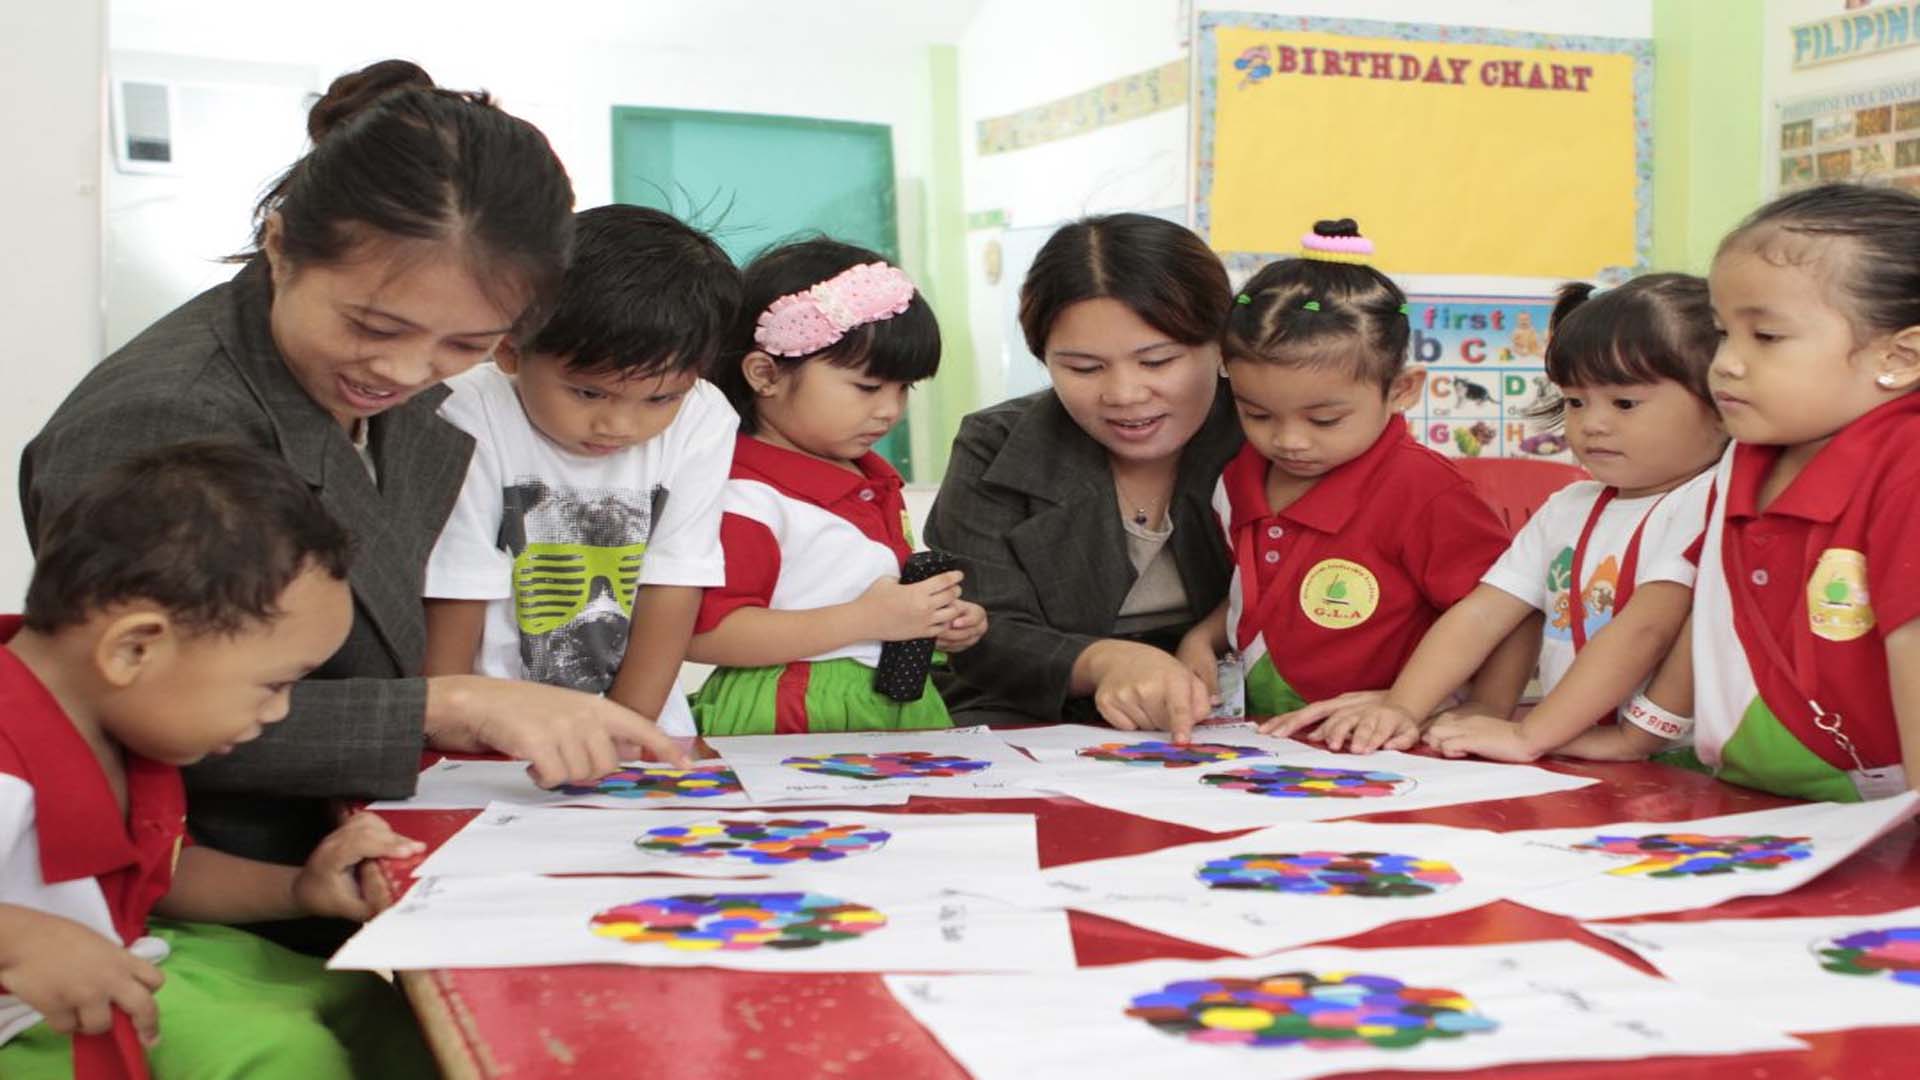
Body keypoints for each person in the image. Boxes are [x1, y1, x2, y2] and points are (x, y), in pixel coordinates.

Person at [18, 61, 683, 952]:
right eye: (374, 329)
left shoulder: (395, 394)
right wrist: (443, 706)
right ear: (282, 245)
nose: (408, 373)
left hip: (334, 856)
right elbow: (123, 699)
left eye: (467, 344)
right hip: (188, 887)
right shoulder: (164, 414)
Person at [0, 442, 433, 1079]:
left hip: (133, 949)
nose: (279, 712)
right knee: (277, 1054)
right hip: (31, 1018)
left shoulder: (116, 720)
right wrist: (17, 935)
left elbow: (155, 877)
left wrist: (295, 889)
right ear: (134, 649)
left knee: (365, 999)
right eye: (272, 685)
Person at [1322, 276, 1726, 762]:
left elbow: (1646, 630)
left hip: (1683, 761)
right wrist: (1403, 707)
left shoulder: (1711, 501)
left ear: (1722, 405)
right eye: (1576, 401)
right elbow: (1482, 612)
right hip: (1577, 747)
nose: (1592, 423)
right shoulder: (1571, 505)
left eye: (1624, 403)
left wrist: (1529, 735)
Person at [1178, 219, 1523, 753]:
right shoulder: (1236, 474)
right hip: (1277, 743)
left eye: (1325, 420)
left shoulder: (1422, 491)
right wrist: (1204, 636)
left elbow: (1513, 608)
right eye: (1257, 413)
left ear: (1401, 390)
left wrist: (1482, 710)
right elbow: (1269, 587)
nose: (1289, 441)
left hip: (1399, 745)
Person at [423, 204, 742, 737]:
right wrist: (452, 728)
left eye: (660, 398)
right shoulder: (466, 410)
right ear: (510, 348)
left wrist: (625, 729)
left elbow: (674, 584)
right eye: (588, 392)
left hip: (631, 730)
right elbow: (457, 584)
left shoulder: (704, 416)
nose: (619, 424)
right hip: (488, 727)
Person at [924, 213, 1242, 736]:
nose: (1124, 395)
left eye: (1157, 361)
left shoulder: (1275, 439)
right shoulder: (997, 446)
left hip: (1230, 717)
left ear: (1222, 346)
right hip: (1032, 721)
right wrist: (1102, 662)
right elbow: (980, 627)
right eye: (1083, 369)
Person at [1652, 183, 1920, 801]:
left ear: (1900, 357)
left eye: (1765, 338)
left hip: (1878, 816)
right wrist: (1647, 729)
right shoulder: (1744, 455)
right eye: (1723, 332)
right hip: (1756, 801)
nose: (1725, 363)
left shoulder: (1906, 464)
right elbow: (1708, 610)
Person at [688, 240, 985, 733]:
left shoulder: (869, 479)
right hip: (793, 708)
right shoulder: (747, 495)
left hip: (897, 702)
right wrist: (868, 621)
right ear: (766, 374)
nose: (890, 410)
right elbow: (708, 633)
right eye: (867, 388)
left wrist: (936, 622)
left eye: (904, 389)